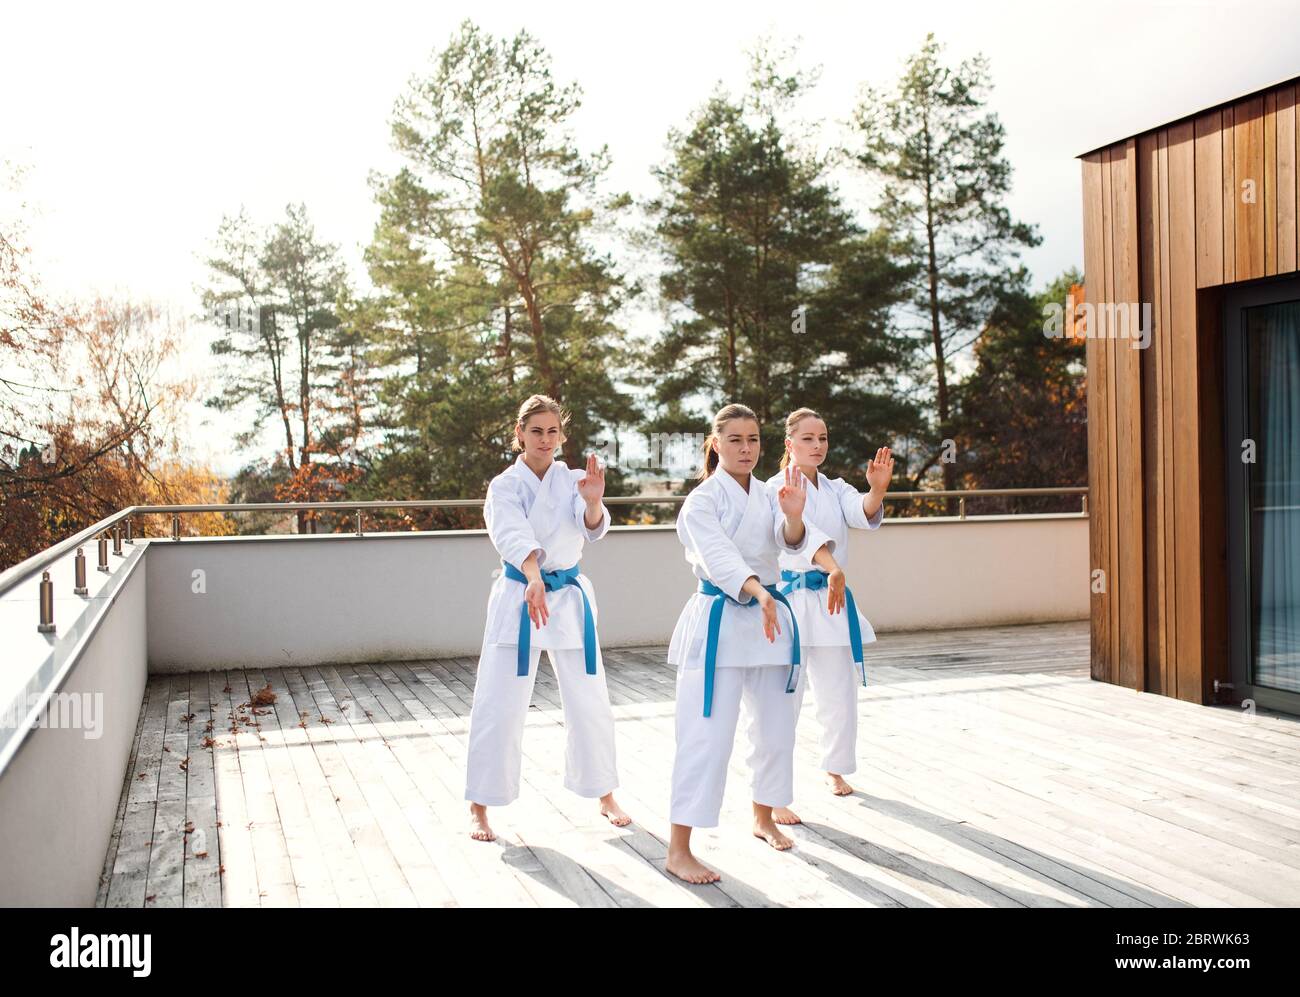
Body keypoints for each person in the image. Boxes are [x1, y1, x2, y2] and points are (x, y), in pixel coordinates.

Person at [664, 402, 833, 884]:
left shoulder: (771, 493)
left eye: (753, 439)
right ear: (716, 445)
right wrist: (757, 590)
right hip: (721, 619)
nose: (745, 448)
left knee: (777, 726)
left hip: (769, 621)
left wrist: (796, 519)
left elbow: (794, 540)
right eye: (735, 440)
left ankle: (763, 816)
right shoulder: (702, 501)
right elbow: (717, 556)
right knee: (705, 737)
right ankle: (679, 848)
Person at [464, 394, 632, 842]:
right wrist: (534, 576)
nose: (544, 439)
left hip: (568, 597)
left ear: (562, 435)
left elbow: (592, 527)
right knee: (499, 702)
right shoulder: (504, 486)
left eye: (552, 431)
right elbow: (512, 534)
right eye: (536, 431)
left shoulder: (575, 479)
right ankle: (480, 804)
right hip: (521, 593)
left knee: (590, 699)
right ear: (519, 433)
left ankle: (604, 792)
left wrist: (594, 503)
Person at [764, 408, 891, 824]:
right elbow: (796, 538)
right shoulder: (773, 489)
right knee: (785, 695)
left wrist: (877, 490)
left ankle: (834, 767)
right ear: (789, 444)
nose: (817, 445)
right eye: (807, 439)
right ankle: (775, 791)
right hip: (792, 599)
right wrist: (830, 566)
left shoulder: (836, 488)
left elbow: (862, 512)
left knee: (839, 692)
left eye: (822, 438)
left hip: (833, 601)